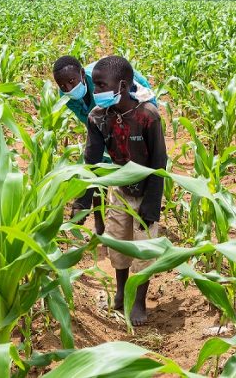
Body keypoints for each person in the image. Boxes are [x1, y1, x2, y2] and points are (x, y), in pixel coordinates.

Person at [84, 56, 166, 326]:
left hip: (146, 189)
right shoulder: (98, 117)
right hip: (119, 188)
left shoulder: (147, 116)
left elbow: (158, 162)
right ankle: (120, 292)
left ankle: (139, 301)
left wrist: (152, 203)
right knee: (117, 242)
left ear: (121, 85)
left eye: (100, 85)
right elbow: (92, 160)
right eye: (94, 86)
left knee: (143, 250)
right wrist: (83, 199)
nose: (96, 92)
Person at [53, 55, 156, 233]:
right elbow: (89, 119)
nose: (68, 88)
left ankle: (140, 212)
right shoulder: (66, 96)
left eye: (71, 81)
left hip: (135, 101)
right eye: (63, 85)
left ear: (82, 75)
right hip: (104, 117)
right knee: (98, 164)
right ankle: (99, 224)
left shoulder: (102, 84)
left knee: (133, 157)